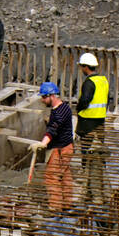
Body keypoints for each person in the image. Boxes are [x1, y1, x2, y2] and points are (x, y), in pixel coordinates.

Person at [74, 51, 110, 208]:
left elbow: (85, 100)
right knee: (99, 156)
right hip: (100, 122)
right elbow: (107, 99)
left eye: (82, 66)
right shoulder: (104, 80)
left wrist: (78, 109)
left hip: (88, 122)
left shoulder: (89, 82)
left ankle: (93, 195)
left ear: (86, 67)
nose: (81, 69)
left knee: (88, 157)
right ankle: (99, 191)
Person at [35, 81, 74, 212]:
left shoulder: (59, 113)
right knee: (64, 175)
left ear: (52, 96)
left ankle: (56, 208)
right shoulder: (64, 107)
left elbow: (53, 129)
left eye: (44, 97)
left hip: (61, 149)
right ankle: (67, 205)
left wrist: (42, 143)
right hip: (66, 147)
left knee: (52, 177)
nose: (42, 100)